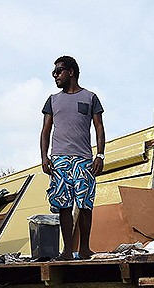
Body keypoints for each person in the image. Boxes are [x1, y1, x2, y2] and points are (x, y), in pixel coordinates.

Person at [40, 55, 105, 260]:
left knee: (85, 204)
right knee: (64, 205)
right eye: (54, 73)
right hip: (59, 159)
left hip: (84, 159)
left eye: (58, 71)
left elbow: (99, 128)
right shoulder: (52, 100)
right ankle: (67, 250)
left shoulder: (90, 97)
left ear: (71, 72)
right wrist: (44, 157)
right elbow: (45, 131)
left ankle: (84, 248)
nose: (55, 76)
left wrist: (100, 155)